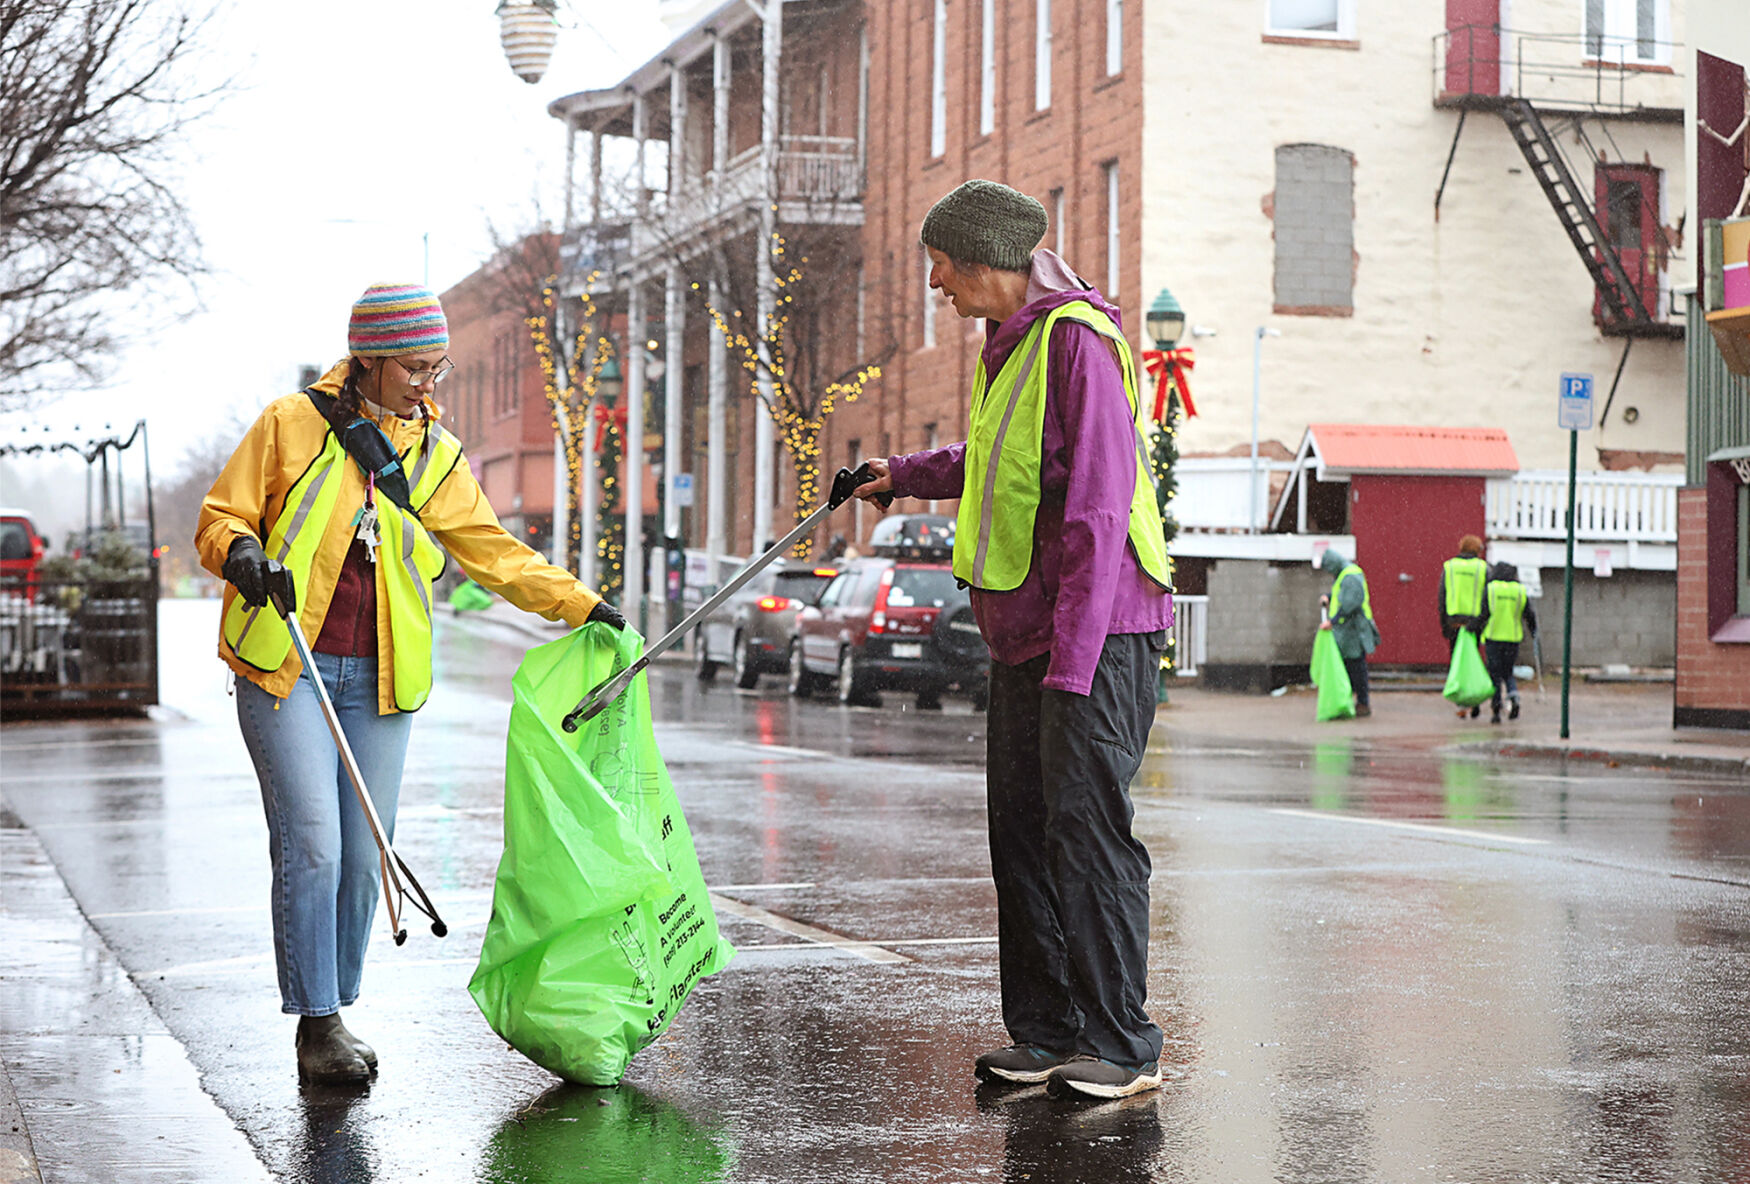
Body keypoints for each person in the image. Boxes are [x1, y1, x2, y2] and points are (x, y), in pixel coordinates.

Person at [197, 282, 623, 1085]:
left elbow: (493, 551)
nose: (429, 383)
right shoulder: (290, 424)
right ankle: (317, 1024)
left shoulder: (434, 454)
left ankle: (337, 1003)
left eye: (438, 367)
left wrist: (581, 604)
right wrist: (243, 552)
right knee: (314, 847)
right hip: (289, 666)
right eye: (414, 367)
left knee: (366, 859)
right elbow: (223, 515)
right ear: (369, 359)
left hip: (382, 679)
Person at [853, 179, 1174, 1100]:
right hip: (1028, 632)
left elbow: (1098, 509)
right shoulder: (1012, 344)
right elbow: (998, 463)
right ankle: (1046, 1031)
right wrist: (900, 473)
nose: (935, 285)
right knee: (1022, 835)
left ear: (982, 260)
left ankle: (1124, 1045)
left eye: (940, 266)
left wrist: (1074, 662)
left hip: (1098, 634)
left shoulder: (1078, 342)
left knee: (1087, 832)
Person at [1318, 548, 1380, 717]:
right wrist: (1329, 596)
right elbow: (1342, 595)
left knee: (1356, 667)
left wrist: (1332, 621)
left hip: (1353, 631)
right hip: (1349, 630)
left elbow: (1349, 604)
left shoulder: (1350, 576)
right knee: (1352, 667)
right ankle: (1353, 701)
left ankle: (1362, 702)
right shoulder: (1345, 574)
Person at [1438, 534, 1490, 719]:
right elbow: (1487, 597)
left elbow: (1442, 597)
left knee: (1458, 664)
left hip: (1454, 622)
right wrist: (1482, 622)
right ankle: (1474, 700)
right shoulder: (1482, 568)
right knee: (1473, 662)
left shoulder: (1450, 567)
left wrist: (1444, 623)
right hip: (1474, 623)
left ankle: (1461, 703)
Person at [1481, 560, 1536, 724]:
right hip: (1513, 638)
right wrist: (1533, 630)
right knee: (1508, 672)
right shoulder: (1519, 590)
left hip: (1493, 637)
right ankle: (1514, 697)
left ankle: (1496, 709)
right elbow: (1529, 613)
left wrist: (1473, 628)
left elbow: (1484, 613)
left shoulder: (1491, 589)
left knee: (1495, 675)